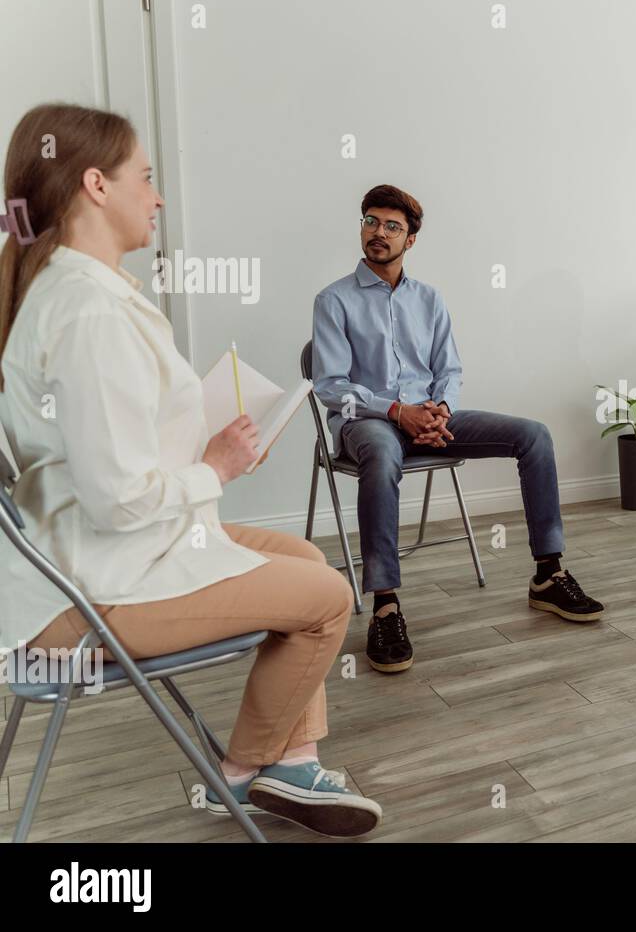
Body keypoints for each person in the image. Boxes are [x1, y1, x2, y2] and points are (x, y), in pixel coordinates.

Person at [0, 103, 380, 838]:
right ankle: (239, 777)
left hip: (90, 562)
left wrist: (201, 440)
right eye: (145, 177)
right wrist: (215, 465)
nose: (158, 195)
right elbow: (117, 501)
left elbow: (102, 452)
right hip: (85, 595)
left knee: (302, 555)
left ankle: (291, 762)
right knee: (328, 597)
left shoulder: (68, 293)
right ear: (95, 187)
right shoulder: (89, 315)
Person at [311, 184, 605, 674]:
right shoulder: (333, 300)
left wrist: (440, 409)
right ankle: (385, 604)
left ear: (411, 239)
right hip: (367, 423)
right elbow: (331, 387)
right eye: (370, 221)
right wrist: (397, 413)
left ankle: (548, 576)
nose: (377, 233)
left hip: (428, 417)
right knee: (384, 457)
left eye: (391, 226)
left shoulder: (430, 299)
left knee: (533, 434)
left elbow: (450, 369)